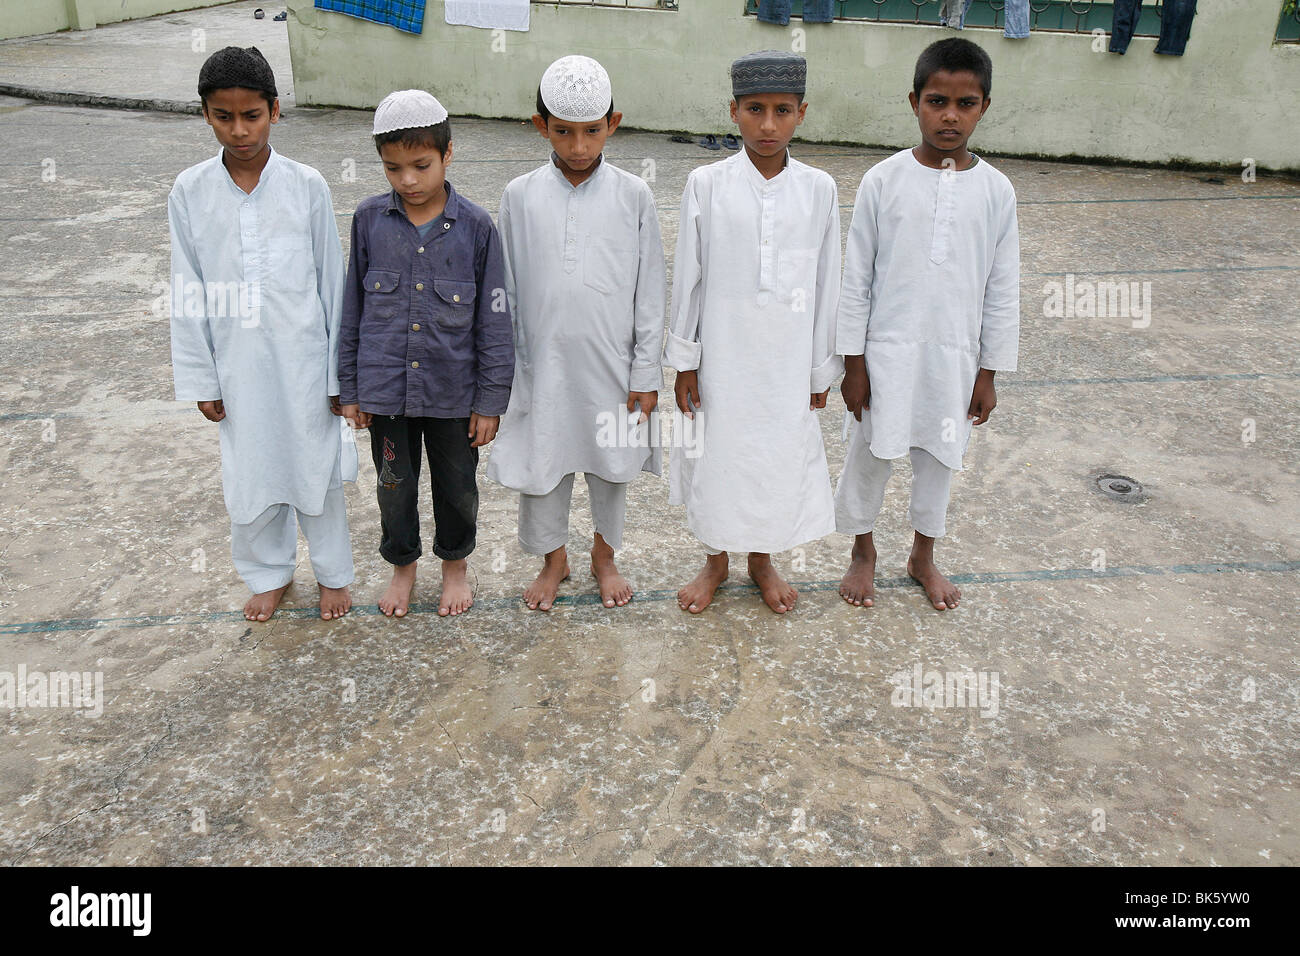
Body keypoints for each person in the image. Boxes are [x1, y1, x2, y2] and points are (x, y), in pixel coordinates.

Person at [169, 46, 355, 623]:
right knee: (251, 472)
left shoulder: (306, 186)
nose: (239, 129)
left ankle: (333, 573)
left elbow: (332, 282)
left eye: (251, 115)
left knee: (314, 468)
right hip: (236, 364)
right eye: (224, 116)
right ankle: (267, 574)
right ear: (205, 115)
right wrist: (202, 376)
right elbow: (187, 288)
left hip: (305, 361)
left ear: (275, 110)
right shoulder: (190, 191)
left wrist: (338, 374)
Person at [835, 37, 1020, 611]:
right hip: (884, 355)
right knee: (868, 457)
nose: (950, 115)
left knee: (939, 461)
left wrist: (988, 373)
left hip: (954, 358)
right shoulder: (882, 180)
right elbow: (855, 280)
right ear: (914, 101)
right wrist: (853, 364)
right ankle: (862, 550)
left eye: (965, 104)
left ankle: (923, 553)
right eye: (937, 101)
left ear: (984, 107)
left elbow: (1002, 290)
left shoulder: (996, 192)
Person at [664, 50, 842, 615]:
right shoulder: (707, 184)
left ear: (802, 113)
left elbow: (826, 281)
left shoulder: (820, 190)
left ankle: (762, 559)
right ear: (734, 111)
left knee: (774, 456)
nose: (768, 125)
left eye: (782, 111)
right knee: (720, 453)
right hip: (724, 354)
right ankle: (716, 560)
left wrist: (820, 369)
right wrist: (686, 358)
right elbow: (688, 276)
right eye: (755, 109)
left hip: (786, 361)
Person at [487, 55, 667, 612]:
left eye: (592, 131)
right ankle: (554, 559)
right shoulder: (519, 195)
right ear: (541, 126)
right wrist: (507, 370)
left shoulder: (634, 195)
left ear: (613, 123)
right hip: (541, 362)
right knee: (545, 463)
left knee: (611, 466)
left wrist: (645, 371)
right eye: (564, 131)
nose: (579, 146)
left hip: (612, 366)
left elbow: (650, 289)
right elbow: (506, 288)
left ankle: (604, 556)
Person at [339, 90, 514, 618]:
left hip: (453, 394)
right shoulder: (369, 221)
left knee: (457, 487)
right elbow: (353, 308)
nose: (408, 181)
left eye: (421, 166)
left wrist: (490, 401)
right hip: (385, 393)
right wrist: (351, 388)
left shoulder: (478, 228)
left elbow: (495, 319)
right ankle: (403, 568)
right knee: (393, 487)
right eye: (393, 169)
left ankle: (456, 566)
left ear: (448, 154)